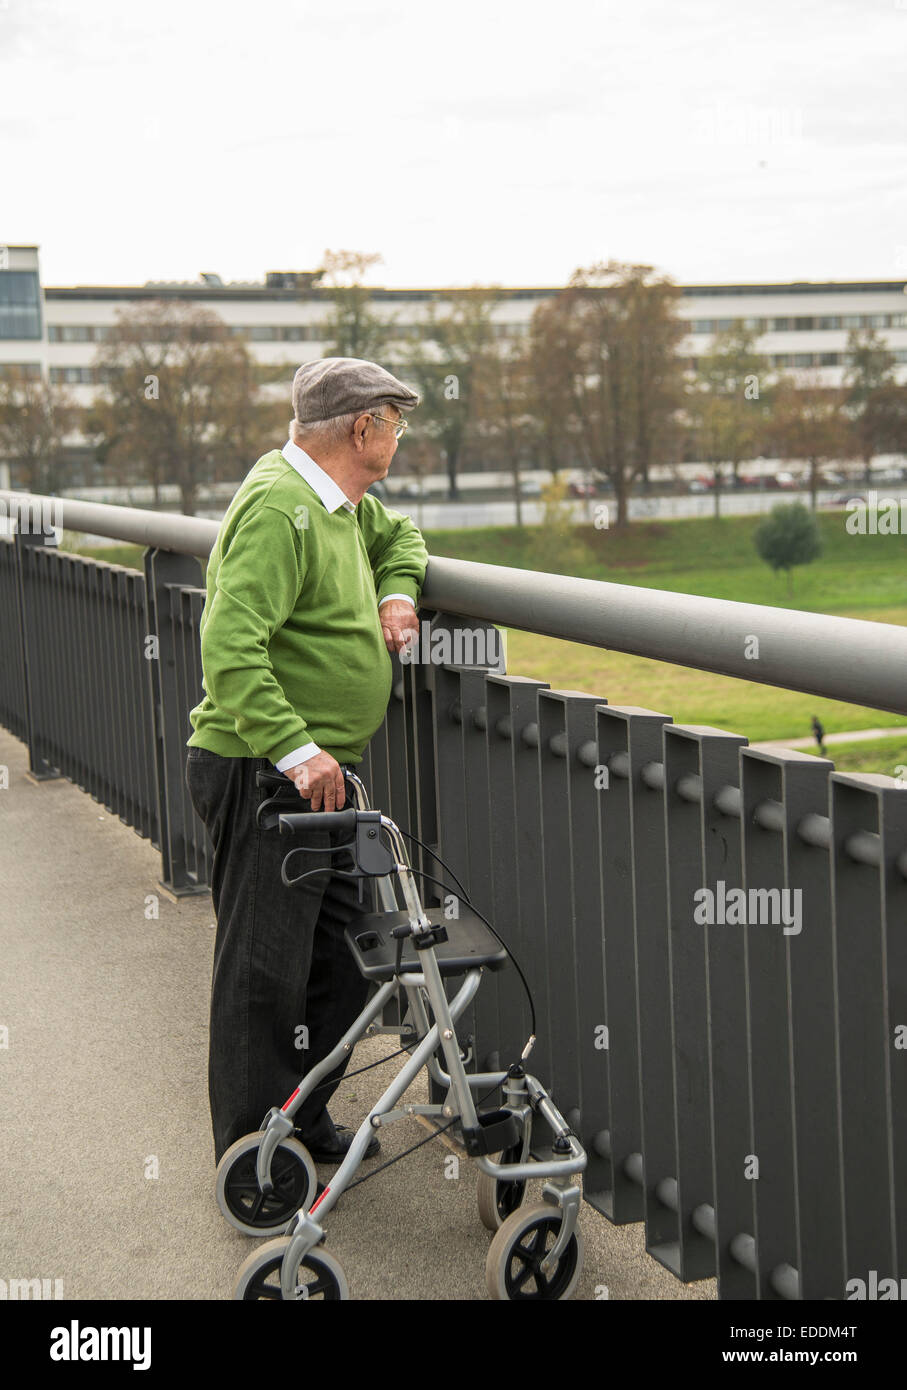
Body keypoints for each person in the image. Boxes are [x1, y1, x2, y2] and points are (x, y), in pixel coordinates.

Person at [184, 357, 427, 1166]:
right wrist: (296, 750)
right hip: (268, 774)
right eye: (395, 422)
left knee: (348, 959)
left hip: (323, 781)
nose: (399, 436)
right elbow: (228, 645)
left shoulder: (340, 504)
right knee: (264, 979)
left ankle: (298, 1115)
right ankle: (252, 1160)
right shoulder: (281, 508)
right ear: (363, 428)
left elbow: (402, 536)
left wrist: (395, 590)